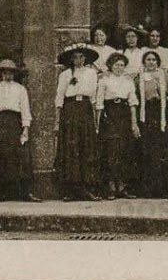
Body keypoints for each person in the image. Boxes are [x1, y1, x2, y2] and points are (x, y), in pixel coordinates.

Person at [54, 42, 102, 200]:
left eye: (81, 57)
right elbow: (60, 96)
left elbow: (94, 96)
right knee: (71, 146)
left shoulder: (91, 73)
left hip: (85, 109)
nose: (79, 60)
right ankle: (70, 189)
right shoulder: (65, 75)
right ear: (71, 59)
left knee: (86, 145)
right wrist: (57, 119)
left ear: (85, 58)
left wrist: (95, 118)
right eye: (75, 57)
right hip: (70, 109)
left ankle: (87, 187)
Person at [0, 59, 36, 202]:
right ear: (1, 74)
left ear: (14, 74)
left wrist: (25, 129)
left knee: (19, 155)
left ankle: (24, 192)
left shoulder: (20, 89)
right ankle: (4, 192)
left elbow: (25, 110)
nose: (7, 75)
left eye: (10, 73)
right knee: (1, 156)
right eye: (5, 73)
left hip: (14, 122)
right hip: (0, 122)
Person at [97, 53, 141, 199]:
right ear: (110, 65)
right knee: (111, 150)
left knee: (125, 150)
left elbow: (133, 102)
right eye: (116, 65)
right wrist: (98, 122)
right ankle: (110, 187)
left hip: (124, 114)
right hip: (110, 114)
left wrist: (134, 123)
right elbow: (99, 103)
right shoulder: (104, 80)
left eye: (122, 65)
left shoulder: (128, 81)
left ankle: (122, 187)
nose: (119, 67)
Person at [135, 48, 168, 197]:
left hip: (161, 113)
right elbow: (135, 98)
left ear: (158, 62)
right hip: (146, 114)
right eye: (148, 60)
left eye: (153, 60)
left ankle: (162, 189)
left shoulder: (164, 76)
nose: (151, 62)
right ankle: (147, 189)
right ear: (144, 62)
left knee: (161, 151)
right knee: (146, 151)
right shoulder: (139, 78)